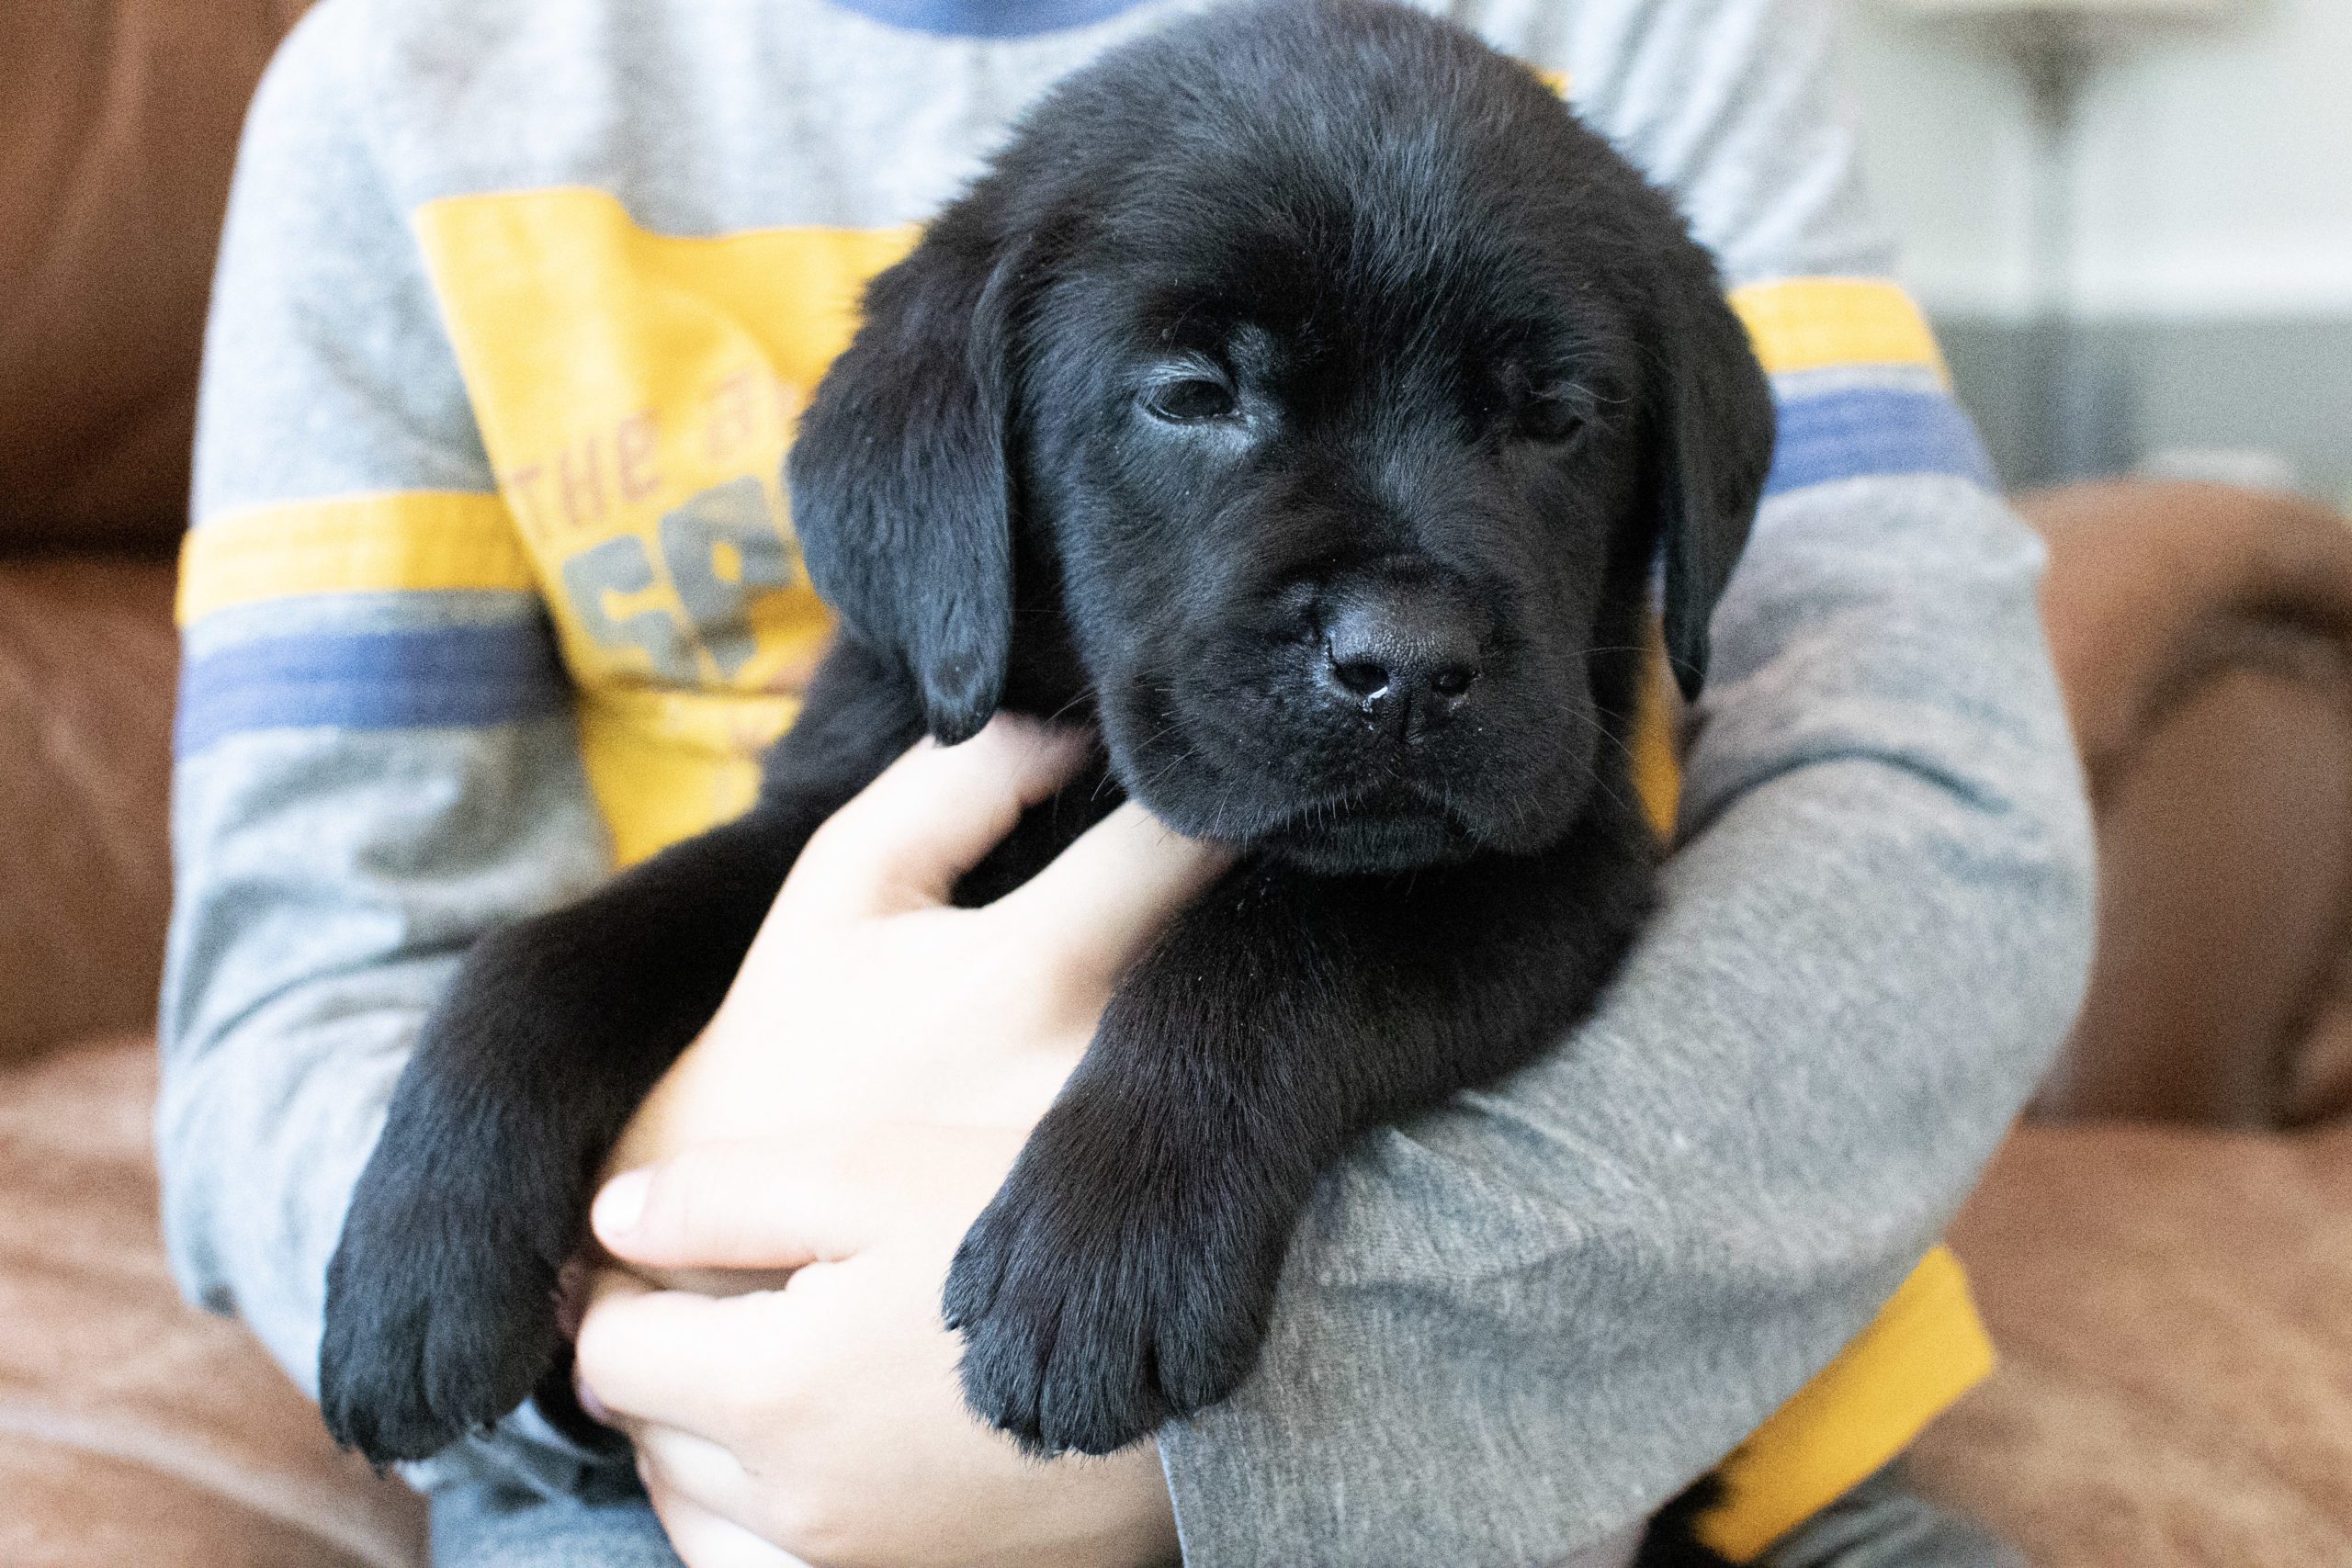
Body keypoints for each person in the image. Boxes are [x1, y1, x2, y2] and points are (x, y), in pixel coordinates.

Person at [158, 0, 2096, 1562]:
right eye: (1199, 394)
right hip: (728, 1423)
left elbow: (1895, 822)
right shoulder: (407, 90)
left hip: (1651, 1410)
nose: (1405, 624)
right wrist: (638, 1311)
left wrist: (1289, 1371)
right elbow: (314, 987)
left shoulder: (1651, 46)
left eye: (1542, 418)